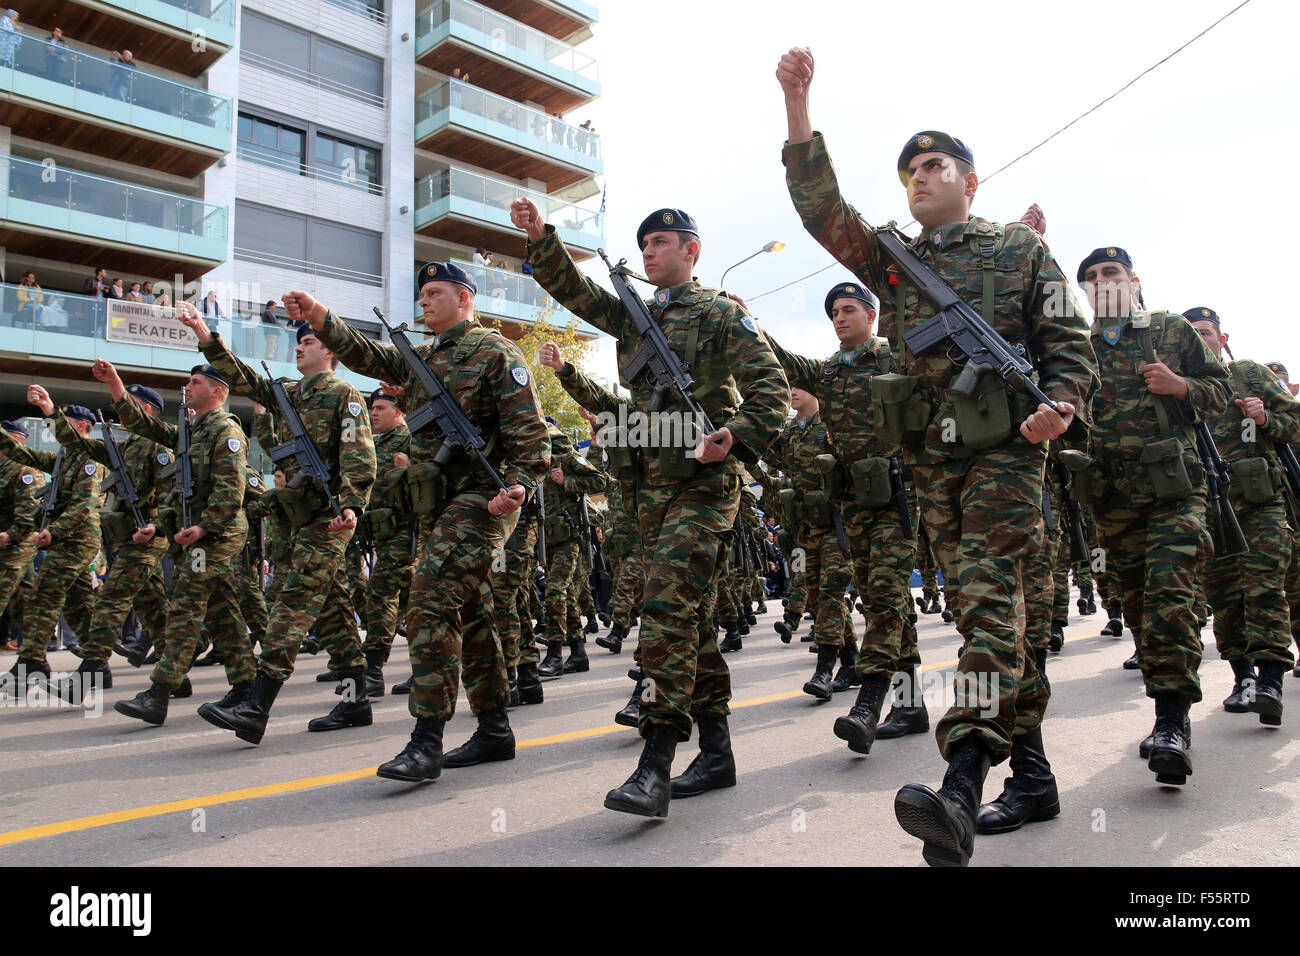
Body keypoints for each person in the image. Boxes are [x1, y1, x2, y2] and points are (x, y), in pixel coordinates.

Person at [776, 47, 1097, 865]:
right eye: (910, 170)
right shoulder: (894, 262)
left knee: (988, 609)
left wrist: (1063, 407)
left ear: (970, 179)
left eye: (934, 164)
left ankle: (961, 781)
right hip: (933, 465)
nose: (919, 177)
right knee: (996, 618)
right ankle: (1032, 775)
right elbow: (822, 212)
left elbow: (1069, 339)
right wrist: (798, 106)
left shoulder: (1021, 253)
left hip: (1007, 455)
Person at [514, 197, 789, 818]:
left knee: (665, 607)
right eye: (644, 244)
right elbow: (576, 293)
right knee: (685, 621)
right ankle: (716, 752)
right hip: (647, 491)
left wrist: (735, 435)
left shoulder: (720, 315)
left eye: (661, 242)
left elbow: (770, 386)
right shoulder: (634, 316)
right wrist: (540, 239)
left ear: (692, 250)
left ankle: (656, 760)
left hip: (702, 485)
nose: (649, 251)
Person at [291, 260, 549, 782]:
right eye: (422, 294)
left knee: (427, 599)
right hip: (439, 503)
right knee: (472, 612)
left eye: (435, 293)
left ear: (465, 298)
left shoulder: (496, 352)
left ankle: (426, 739)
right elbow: (368, 355)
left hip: (484, 496)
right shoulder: (424, 358)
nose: (425, 301)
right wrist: (320, 317)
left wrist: (519, 482)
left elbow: (531, 431)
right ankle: (495, 729)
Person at [182, 312, 376, 743]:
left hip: (330, 516)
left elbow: (360, 455)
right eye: (299, 341)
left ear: (330, 351)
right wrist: (203, 335)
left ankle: (257, 704)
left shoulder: (345, 394)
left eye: (309, 340)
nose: (300, 345)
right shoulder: (288, 394)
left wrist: (353, 505)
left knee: (290, 606)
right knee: (331, 611)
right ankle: (355, 700)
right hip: (298, 516)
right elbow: (242, 377)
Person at [1074, 248, 1229, 783]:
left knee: (1169, 594)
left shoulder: (1168, 330)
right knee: (1138, 603)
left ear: (1134, 282)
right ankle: (1167, 704)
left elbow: (1223, 393)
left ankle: (1172, 721)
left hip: (1174, 490)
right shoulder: (1078, 347)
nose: (1101, 282)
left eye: (1111, 273)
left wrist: (1183, 386)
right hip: (1113, 499)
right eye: (1090, 278)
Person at [97, 352, 255, 725]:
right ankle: (247, 686)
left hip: (217, 534)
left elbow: (231, 491)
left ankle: (159, 692)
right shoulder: (193, 430)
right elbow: (143, 424)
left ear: (217, 391)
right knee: (222, 612)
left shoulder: (226, 431)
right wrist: (114, 383)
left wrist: (204, 527)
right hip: (197, 535)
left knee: (185, 607)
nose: (187, 387)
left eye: (195, 382)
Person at [1185, 307, 1299, 725]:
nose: (1201, 340)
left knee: (1265, 587)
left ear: (1223, 338)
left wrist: (1266, 417)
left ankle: (1270, 678)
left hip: (1261, 503)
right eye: (1191, 335)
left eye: (1206, 333)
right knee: (1226, 598)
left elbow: (1297, 424)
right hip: (1211, 507)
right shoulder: (1180, 386)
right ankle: (1243, 677)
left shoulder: (1250, 374)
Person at [38, 384, 173, 704]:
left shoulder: (159, 444)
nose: (120, 411)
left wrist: (157, 526)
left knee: (111, 599)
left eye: (132, 404)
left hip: (149, 536)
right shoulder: (126, 446)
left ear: (148, 411)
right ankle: (174, 675)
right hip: (128, 536)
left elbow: (174, 491)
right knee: (154, 608)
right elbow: (80, 445)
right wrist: (50, 411)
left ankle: (89, 673)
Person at [0, 400, 104, 695]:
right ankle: (100, 666)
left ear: (81, 427)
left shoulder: (89, 460)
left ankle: (31, 663)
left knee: (42, 597)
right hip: (62, 540)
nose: (55, 430)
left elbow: (84, 505)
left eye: (62, 422)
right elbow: (22, 453)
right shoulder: (63, 458)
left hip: (77, 539)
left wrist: (52, 531)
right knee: (79, 605)